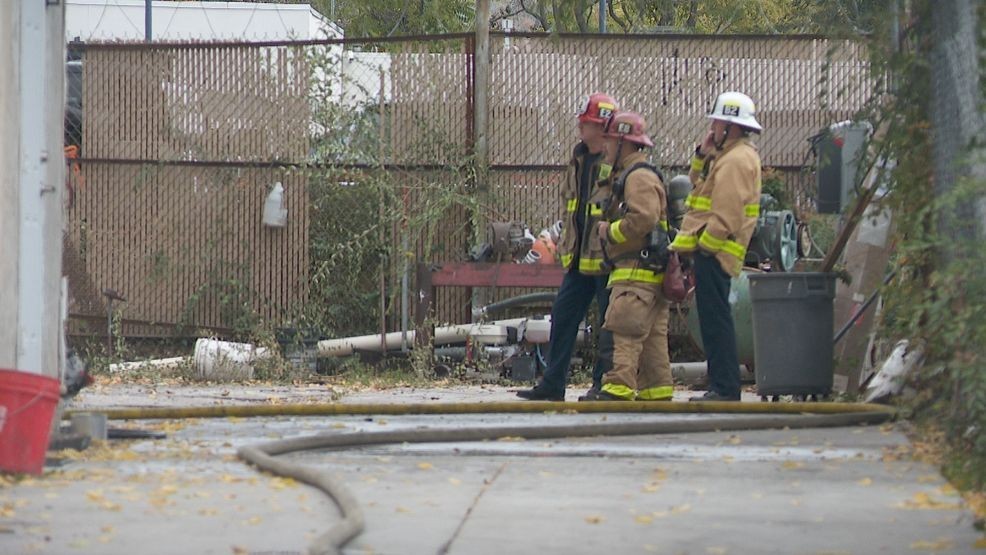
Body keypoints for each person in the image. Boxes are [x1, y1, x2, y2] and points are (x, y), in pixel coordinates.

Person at [517, 93, 618, 401]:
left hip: (605, 258)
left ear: (600, 127)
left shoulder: (616, 162)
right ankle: (553, 384)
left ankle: (603, 384)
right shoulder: (577, 160)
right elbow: (570, 207)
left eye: (585, 121)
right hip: (578, 258)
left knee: (608, 324)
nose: (579, 125)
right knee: (563, 316)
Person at [669, 91, 764, 402]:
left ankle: (725, 387)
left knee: (716, 320)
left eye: (717, 121)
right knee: (712, 319)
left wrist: (706, 249)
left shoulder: (736, 160)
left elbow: (726, 215)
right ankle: (721, 384)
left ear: (730, 126)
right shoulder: (726, 156)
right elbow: (697, 183)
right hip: (710, 252)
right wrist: (702, 153)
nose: (712, 126)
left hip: (715, 253)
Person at [582, 111, 673, 402]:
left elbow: (643, 218)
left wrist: (610, 232)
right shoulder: (632, 174)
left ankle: (618, 388)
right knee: (653, 341)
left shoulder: (638, 176)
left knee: (625, 328)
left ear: (625, 143)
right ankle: (656, 393)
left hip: (636, 271)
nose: (605, 147)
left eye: (609, 141)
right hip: (647, 272)